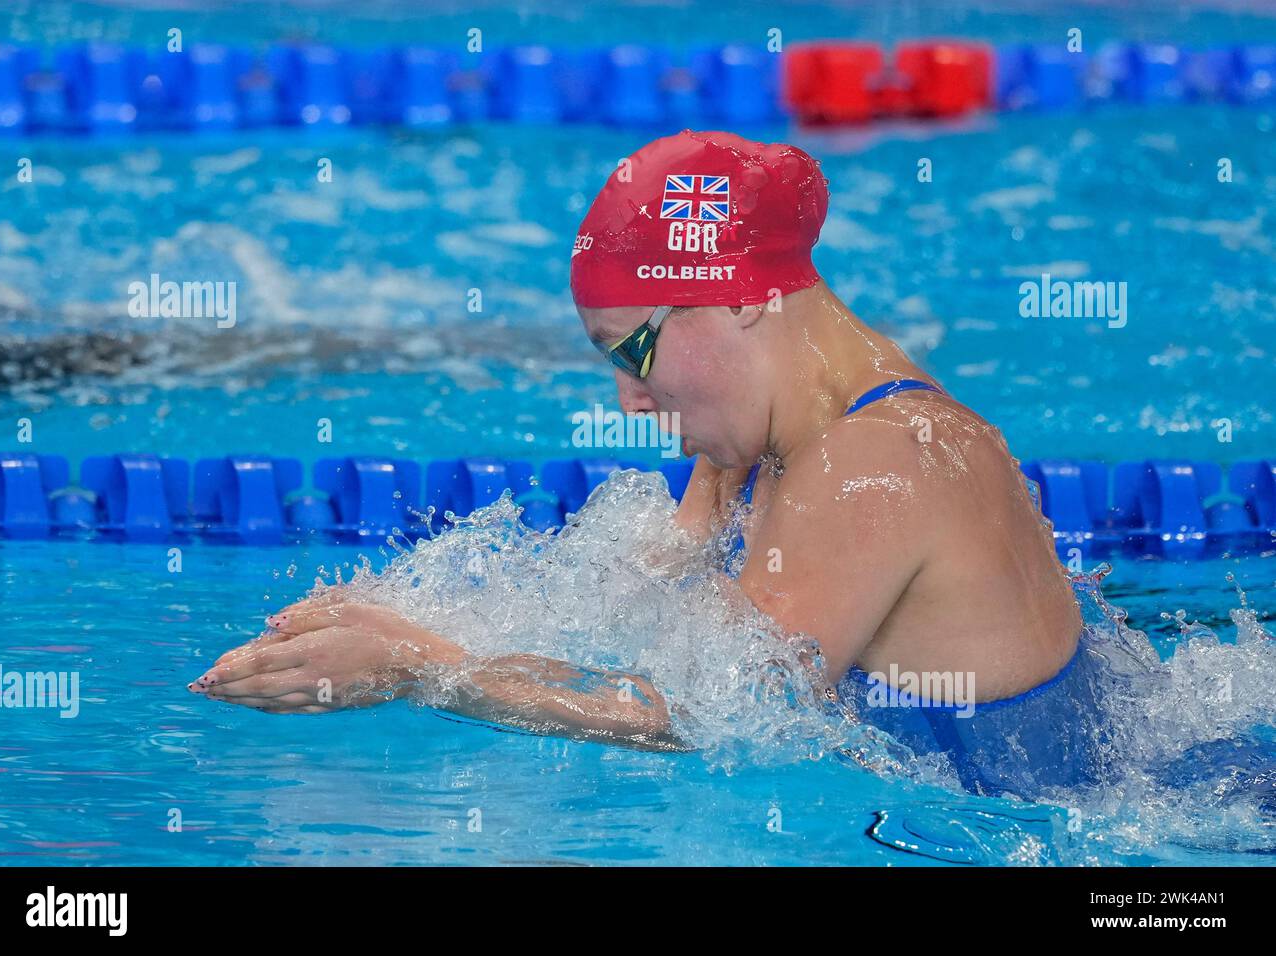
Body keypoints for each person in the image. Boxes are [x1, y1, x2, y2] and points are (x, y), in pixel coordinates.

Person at [190, 130, 1104, 796]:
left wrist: (417, 664)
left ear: (738, 299)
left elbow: (710, 720)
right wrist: (396, 615)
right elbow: (626, 602)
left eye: (631, 354)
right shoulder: (767, 430)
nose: (628, 400)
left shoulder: (875, 465)